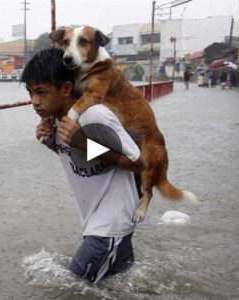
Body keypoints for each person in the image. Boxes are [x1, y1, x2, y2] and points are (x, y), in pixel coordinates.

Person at [20, 48, 145, 283]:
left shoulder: (94, 116)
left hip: (110, 224)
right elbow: (78, 157)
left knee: (73, 287)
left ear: (66, 88)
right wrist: (51, 143)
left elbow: (138, 163)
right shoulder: (59, 121)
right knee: (122, 286)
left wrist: (85, 142)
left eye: (41, 92)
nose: (34, 102)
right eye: (30, 93)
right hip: (100, 222)